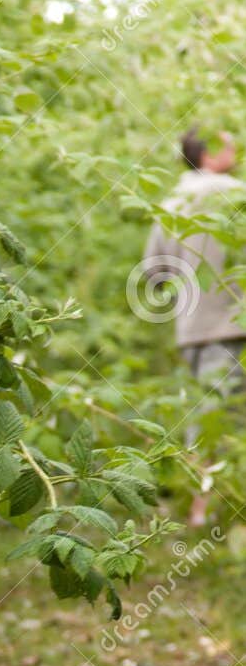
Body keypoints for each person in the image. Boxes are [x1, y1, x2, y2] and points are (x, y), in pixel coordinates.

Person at [140, 127, 246, 522]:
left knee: (204, 416)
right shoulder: (236, 193)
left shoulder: (173, 201)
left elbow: (155, 273)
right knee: (224, 420)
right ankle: (207, 513)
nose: (235, 149)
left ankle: (204, 508)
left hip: (192, 329)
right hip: (235, 324)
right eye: (228, 142)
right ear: (207, 155)